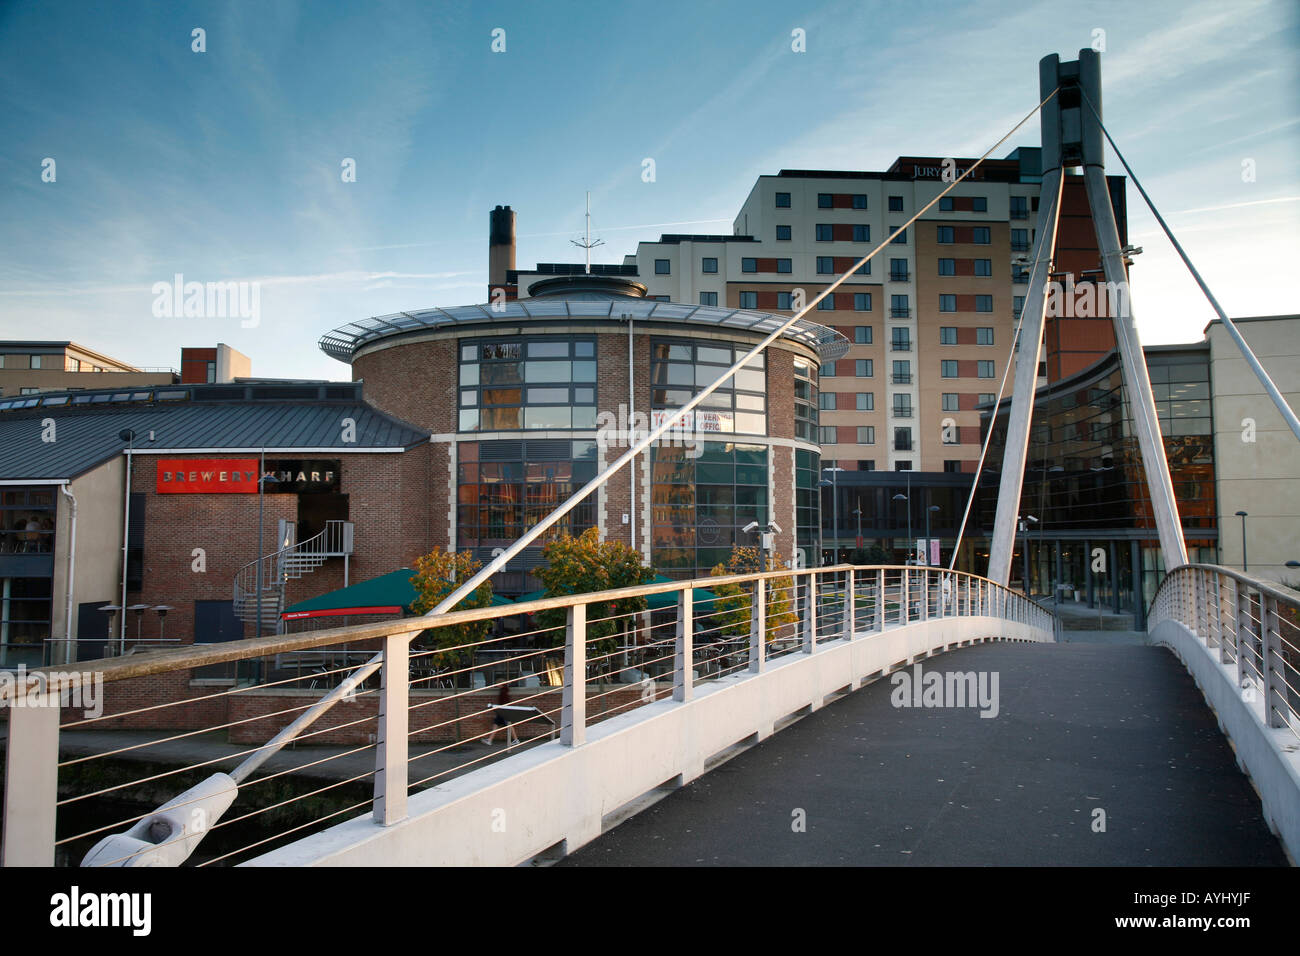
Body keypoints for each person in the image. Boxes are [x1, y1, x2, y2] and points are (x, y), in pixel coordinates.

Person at [483, 682, 518, 746]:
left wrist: (502, 709)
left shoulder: (503, 692)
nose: (497, 685)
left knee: (509, 725)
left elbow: (505, 702)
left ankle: (516, 740)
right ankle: (490, 740)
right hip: (502, 710)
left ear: (501, 684)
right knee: (496, 724)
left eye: (498, 683)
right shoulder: (503, 691)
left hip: (503, 711)